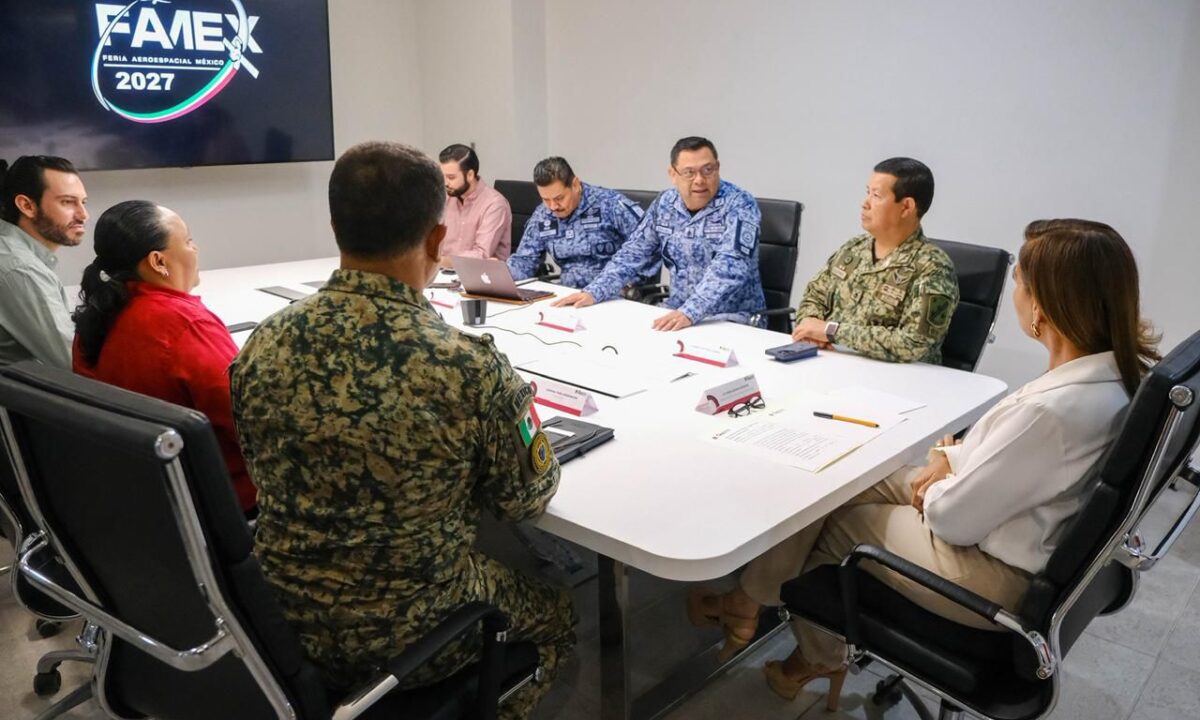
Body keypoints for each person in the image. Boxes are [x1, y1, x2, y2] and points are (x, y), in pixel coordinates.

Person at [689, 219, 1159, 709]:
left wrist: (933, 486)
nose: (1014, 291)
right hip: (1018, 531)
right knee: (848, 480)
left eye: (1019, 281)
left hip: (993, 573)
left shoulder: (1051, 411)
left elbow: (954, 519)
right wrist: (946, 457)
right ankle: (753, 599)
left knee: (837, 523)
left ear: (1042, 304)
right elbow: (1018, 462)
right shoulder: (1113, 378)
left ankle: (815, 653)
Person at [230, 141, 574, 719]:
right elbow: (525, 498)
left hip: (280, 617)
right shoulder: (467, 365)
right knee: (558, 614)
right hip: (412, 631)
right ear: (438, 239)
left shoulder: (263, 344)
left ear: (336, 226)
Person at [71, 200, 257, 514]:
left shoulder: (94, 320)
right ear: (158, 262)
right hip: (225, 503)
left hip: (148, 502)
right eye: (187, 241)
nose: (195, 248)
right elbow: (252, 425)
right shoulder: (186, 326)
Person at [554, 136, 765, 331]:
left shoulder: (740, 204)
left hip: (731, 319)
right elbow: (633, 253)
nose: (699, 180)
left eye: (708, 170)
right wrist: (594, 291)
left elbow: (729, 268)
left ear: (718, 168)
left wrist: (690, 312)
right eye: (689, 172)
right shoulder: (665, 204)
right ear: (673, 174)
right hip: (677, 312)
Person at [791, 158, 959, 363]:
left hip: (897, 382)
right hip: (831, 362)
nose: (865, 203)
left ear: (906, 207)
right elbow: (814, 295)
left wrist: (830, 331)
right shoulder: (854, 248)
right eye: (867, 192)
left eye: (876, 195)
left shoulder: (932, 267)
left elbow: (914, 344)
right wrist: (810, 329)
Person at [0, 156, 88, 367]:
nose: (83, 215)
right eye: (67, 202)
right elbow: (75, 363)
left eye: (83, 202)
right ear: (27, 206)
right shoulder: (19, 268)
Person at [507, 156, 648, 289]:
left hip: (613, 294)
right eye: (546, 199)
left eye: (559, 198)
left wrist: (628, 283)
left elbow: (648, 249)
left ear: (575, 185)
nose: (553, 206)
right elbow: (525, 260)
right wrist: (502, 273)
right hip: (568, 294)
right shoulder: (543, 214)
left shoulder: (610, 205)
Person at [438, 143, 513, 265]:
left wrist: (438, 262)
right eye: (443, 176)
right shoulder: (446, 198)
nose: (445, 183)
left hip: (482, 278)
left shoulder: (494, 204)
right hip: (445, 274)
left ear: (470, 175)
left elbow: (481, 255)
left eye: (451, 177)